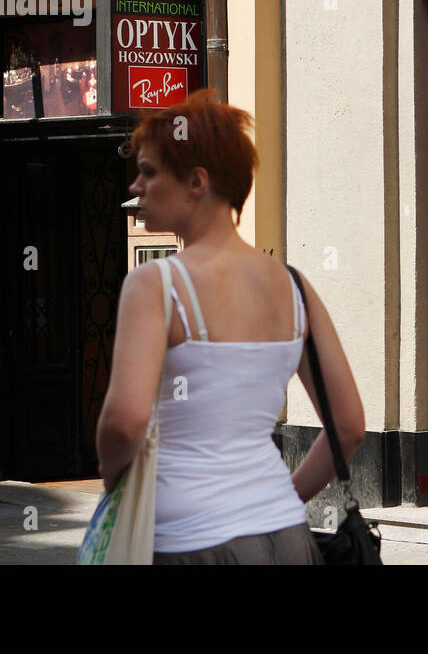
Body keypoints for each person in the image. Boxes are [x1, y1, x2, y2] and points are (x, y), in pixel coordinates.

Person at [95, 89, 365, 564]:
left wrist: (113, 479)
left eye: (150, 171)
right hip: (286, 537)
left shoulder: (155, 284)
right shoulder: (293, 286)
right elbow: (348, 426)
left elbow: (124, 422)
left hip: (186, 538)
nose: (136, 185)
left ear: (196, 182)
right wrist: (280, 499)